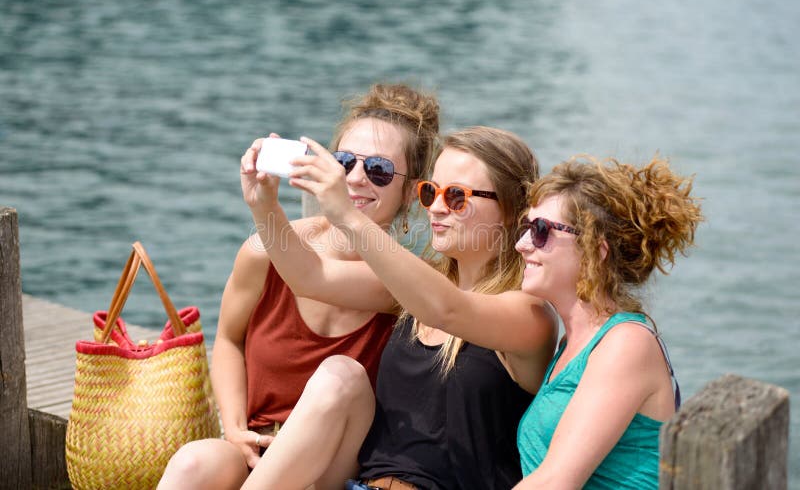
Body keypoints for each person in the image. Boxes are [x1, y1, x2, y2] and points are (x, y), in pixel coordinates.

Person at [239, 126, 558, 490]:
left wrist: (346, 213)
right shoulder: (419, 288)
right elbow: (311, 277)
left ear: (509, 210)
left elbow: (449, 311)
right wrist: (263, 204)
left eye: (456, 196)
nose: (436, 207)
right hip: (362, 484)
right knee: (340, 375)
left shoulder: (530, 316)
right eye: (430, 192)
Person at [157, 83, 440, 490]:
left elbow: (312, 279)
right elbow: (228, 339)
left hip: (336, 466)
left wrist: (266, 209)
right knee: (192, 463)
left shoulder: (403, 281)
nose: (356, 178)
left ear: (411, 191)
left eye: (378, 170)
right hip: (260, 447)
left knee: (341, 376)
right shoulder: (263, 253)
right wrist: (235, 427)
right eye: (343, 162)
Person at [512, 156, 703, 489]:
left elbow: (554, 482)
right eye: (526, 228)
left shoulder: (625, 344)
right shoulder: (573, 345)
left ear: (594, 251)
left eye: (541, 231)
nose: (522, 244)